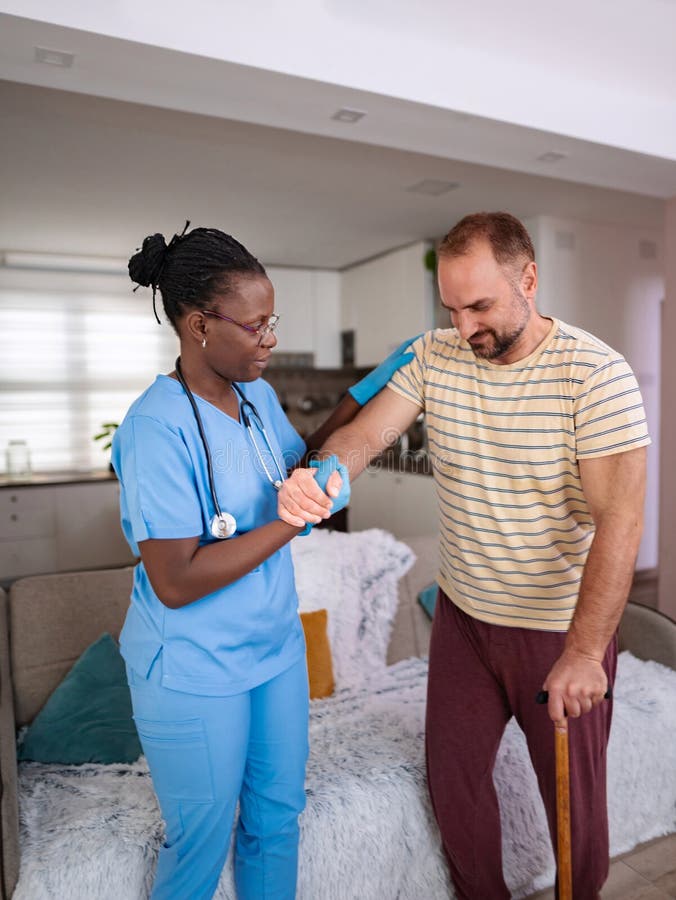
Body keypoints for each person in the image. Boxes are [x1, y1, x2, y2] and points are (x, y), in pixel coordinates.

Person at [277, 212, 650, 899]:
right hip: (464, 622)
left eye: (479, 306)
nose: (464, 326)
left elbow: (621, 523)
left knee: (573, 805)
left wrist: (585, 651)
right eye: (451, 308)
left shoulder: (595, 375)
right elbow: (366, 434)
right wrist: (326, 474)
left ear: (528, 279)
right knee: (454, 784)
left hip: (557, 631)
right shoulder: (434, 354)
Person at [112, 222, 413, 900]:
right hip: (193, 668)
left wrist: (369, 390)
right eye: (255, 326)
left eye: (272, 322)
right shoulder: (154, 429)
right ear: (198, 325)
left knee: (277, 821)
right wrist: (294, 517)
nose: (270, 339)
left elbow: (297, 465)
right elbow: (176, 580)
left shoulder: (255, 396)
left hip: (274, 651)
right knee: (200, 842)